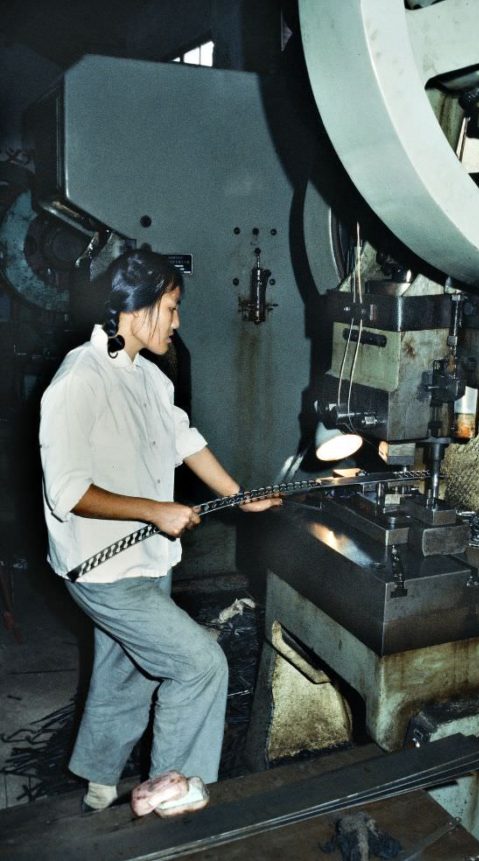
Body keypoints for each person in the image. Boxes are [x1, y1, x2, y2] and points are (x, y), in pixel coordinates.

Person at [39, 249, 281, 814]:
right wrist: (155, 510)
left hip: (148, 560)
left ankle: (98, 782)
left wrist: (236, 496)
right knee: (198, 664)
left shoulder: (147, 375)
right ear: (137, 309)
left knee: (132, 665)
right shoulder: (79, 380)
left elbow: (183, 441)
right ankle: (176, 795)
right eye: (170, 308)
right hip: (100, 568)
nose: (176, 322)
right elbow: (68, 493)